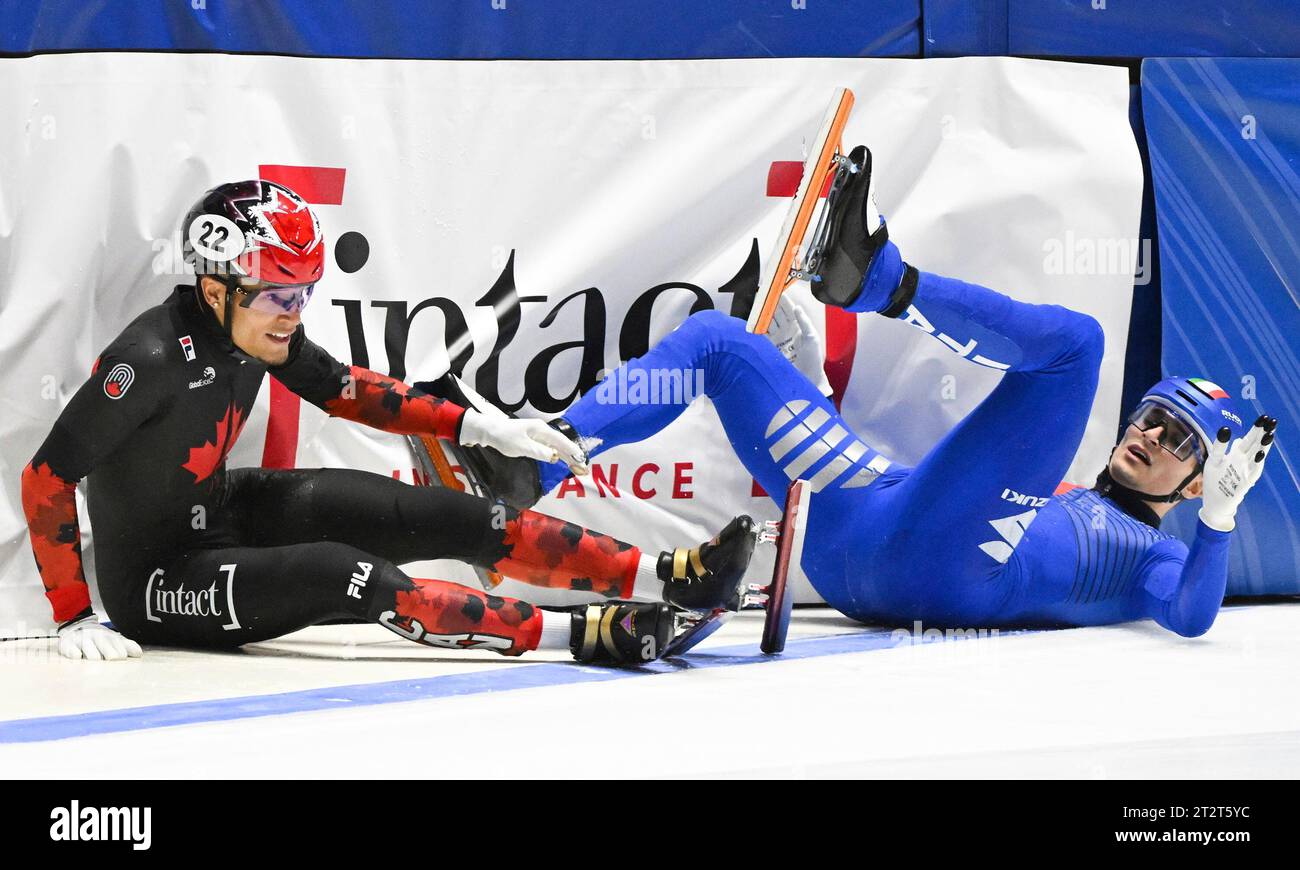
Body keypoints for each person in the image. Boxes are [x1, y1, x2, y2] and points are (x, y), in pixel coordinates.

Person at [502, 145, 1278, 638]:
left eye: (1179, 441)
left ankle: (883, 282)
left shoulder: (1149, 559)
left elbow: (1191, 614)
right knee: (719, 344)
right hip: (851, 535)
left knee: (1076, 346)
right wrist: (805, 397)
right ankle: (527, 469)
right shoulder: (1059, 490)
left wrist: (1217, 522)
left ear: (1197, 480)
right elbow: (922, 492)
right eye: (1151, 416)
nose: (1150, 435)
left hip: (938, 571)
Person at [20, 180, 756, 664]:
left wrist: (477, 427)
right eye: (279, 295)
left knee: (437, 511)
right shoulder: (146, 359)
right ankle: (588, 636)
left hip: (222, 512)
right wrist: (72, 614)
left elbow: (346, 390)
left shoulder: (252, 329)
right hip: (156, 581)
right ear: (215, 288)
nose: (294, 314)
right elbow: (46, 476)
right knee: (350, 575)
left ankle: (672, 575)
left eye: (305, 292)